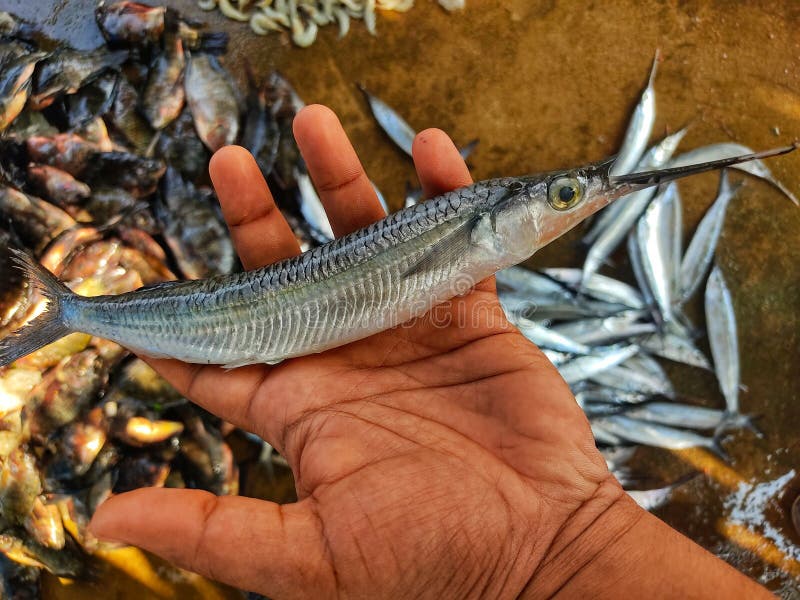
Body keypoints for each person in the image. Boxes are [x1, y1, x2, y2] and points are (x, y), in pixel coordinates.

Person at [89, 105, 770, 598]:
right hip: (239, 316)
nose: (574, 204)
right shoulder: (469, 231)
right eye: (564, 196)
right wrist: (559, 556)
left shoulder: (482, 242)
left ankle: (74, 312)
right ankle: (72, 311)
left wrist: (554, 554)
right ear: (490, 223)